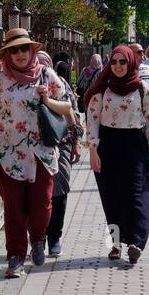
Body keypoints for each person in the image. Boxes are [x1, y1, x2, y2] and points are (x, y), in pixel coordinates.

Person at [0, 28, 74, 278]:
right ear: (7, 55)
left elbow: (67, 105)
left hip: (41, 154)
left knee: (42, 205)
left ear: (32, 50)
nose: (20, 54)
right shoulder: (1, 81)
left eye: (24, 48)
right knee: (13, 208)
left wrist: (47, 100)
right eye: (14, 50)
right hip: (7, 154)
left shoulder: (46, 75)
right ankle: (15, 258)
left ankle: (38, 238)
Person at [84, 43, 149, 265]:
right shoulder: (103, 90)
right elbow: (92, 120)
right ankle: (116, 244)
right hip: (108, 145)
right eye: (114, 61)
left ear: (132, 62)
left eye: (123, 61)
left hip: (135, 146)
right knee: (112, 198)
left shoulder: (141, 89)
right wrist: (93, 150)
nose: (118, 66)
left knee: (136, 195)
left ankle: (136, 242)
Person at [44, 54, 84, 256]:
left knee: (59, 187)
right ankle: (38, 237)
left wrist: (76, 143)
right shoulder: (21, 86)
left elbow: (74, 115)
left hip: (62, 142)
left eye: (45, 65)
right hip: (33, 147)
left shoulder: (61, 85)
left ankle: (54, 237)